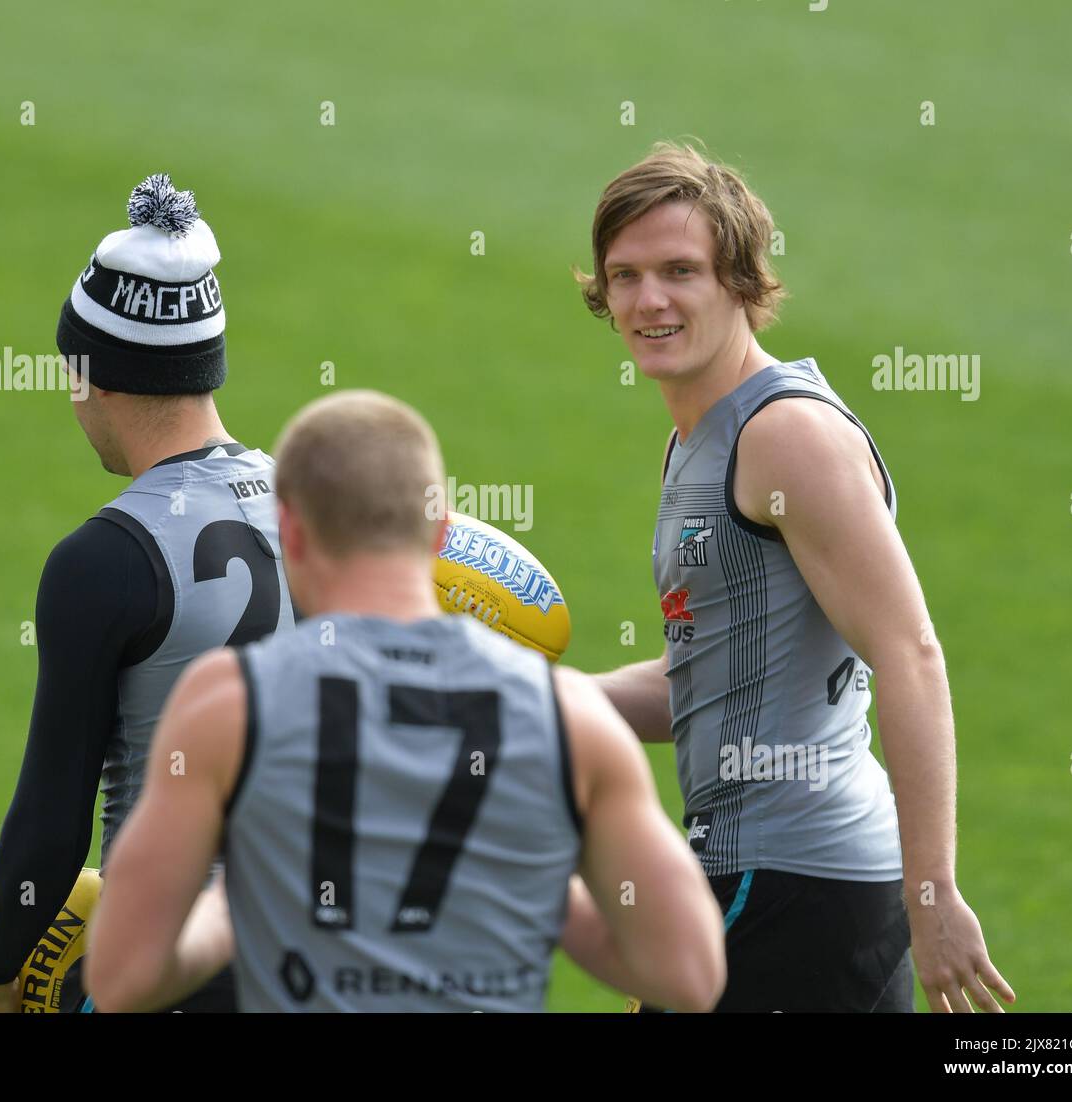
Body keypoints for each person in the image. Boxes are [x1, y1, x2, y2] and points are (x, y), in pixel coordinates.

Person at [84, 390, 726, 1012]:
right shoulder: (566, 715)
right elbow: (691, 974)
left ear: (290, 533)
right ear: (443, 529)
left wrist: (229, 907)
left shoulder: (227, 702)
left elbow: (120, 977)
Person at [578, 141, 1015, 1013]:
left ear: (741, 280)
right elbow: (720, 682)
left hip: (799, 888)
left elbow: (911, 651)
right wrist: (537, 695)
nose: (648, 300)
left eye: (679, 271)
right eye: (624, 276)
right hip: (758, 880)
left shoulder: (783, 436)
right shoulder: (699, 437)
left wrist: (933, 896)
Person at [0, 174, 297, 1013]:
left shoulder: (102, 560)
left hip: (176, 965)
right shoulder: (322, 504)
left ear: (94, 375)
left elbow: (50, 822)